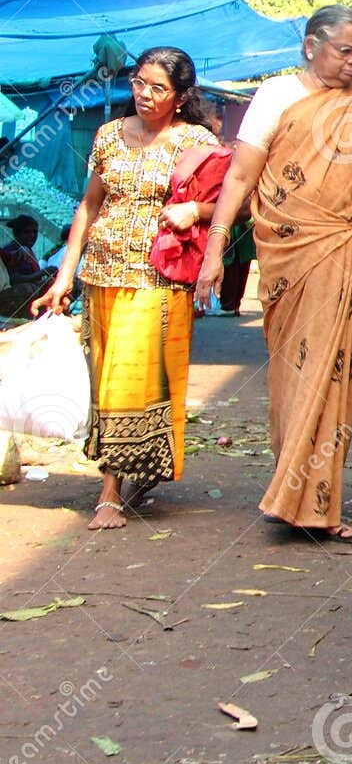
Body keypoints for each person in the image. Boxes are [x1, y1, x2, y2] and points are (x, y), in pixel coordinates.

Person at [194, 5, 352, 546]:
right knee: (298, 376)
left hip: (349, 251)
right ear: (311, 47)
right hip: (290, 254)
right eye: (344, 50)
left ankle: (319, 503)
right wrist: (214, 249)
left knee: (338, 373)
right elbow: (241, 175)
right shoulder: (277, 96)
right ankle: (292, 491)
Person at [32, 48, 218, 530]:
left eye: (159, 88)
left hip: (158, 278)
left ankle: (109, 492)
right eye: (139, 82)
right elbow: (88, 207)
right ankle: (139, 468)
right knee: (107, 382)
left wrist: (194, 212)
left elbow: (232, 205)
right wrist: (63, 277)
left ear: (180, 98)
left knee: (129, 381)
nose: (144, 94)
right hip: (100, 277)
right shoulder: (109, 136)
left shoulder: (196, 142)